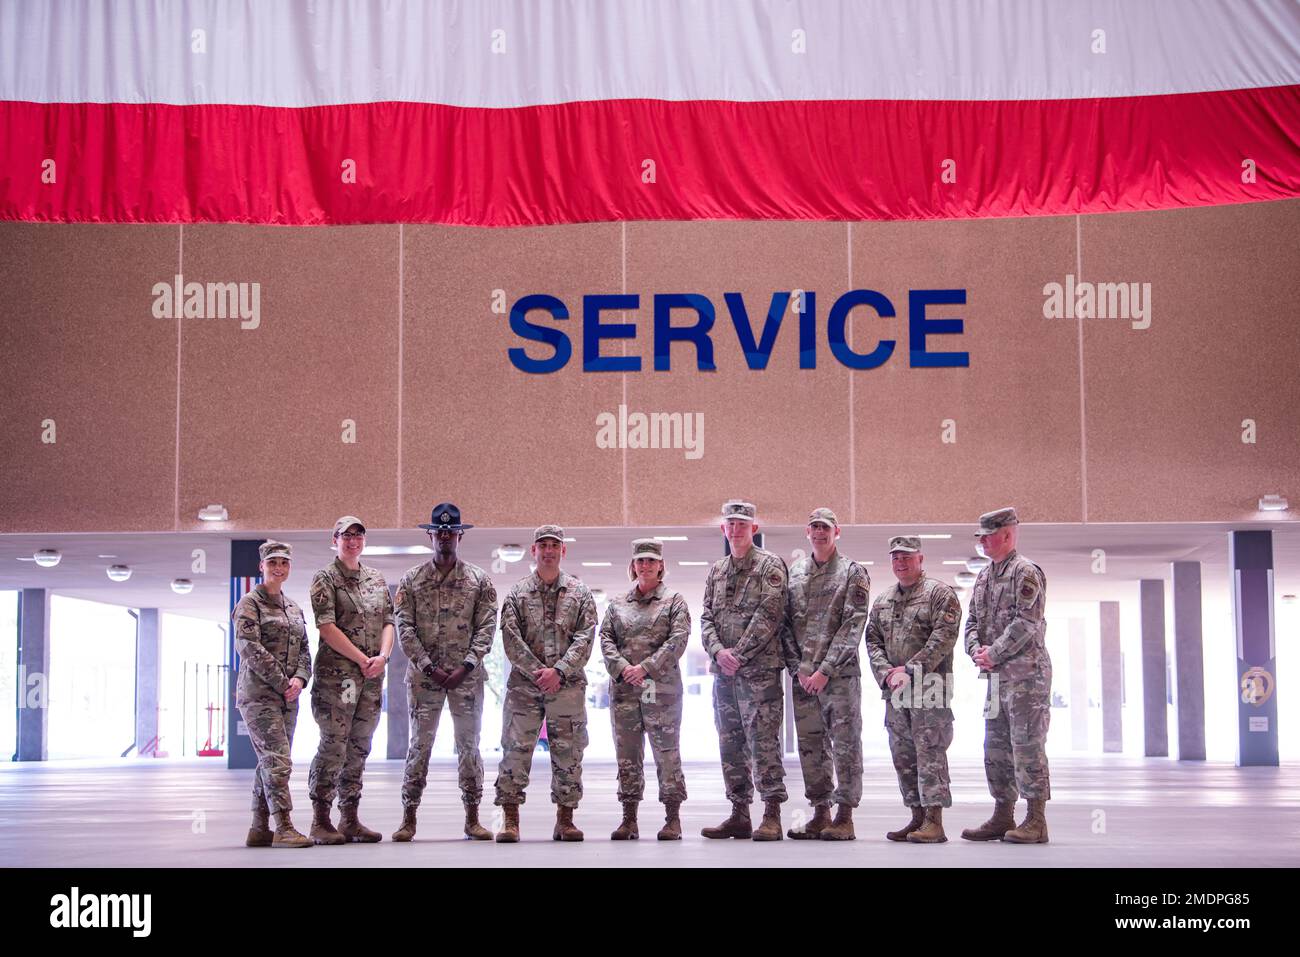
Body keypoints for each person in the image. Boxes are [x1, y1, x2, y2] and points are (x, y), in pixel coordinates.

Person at [392, 504, 499, 842]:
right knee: (419, 746)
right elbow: (404, 628)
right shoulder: (411, 581)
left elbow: (487, 627)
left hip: (466, 680)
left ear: (459, 535)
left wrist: (466, 665)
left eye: (450, 532)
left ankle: (473, 818)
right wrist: (429, 667)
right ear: (430, 535)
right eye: (439, 532)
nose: (445, 537)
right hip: (426, 680)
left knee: (469, 746)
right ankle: (408, 818)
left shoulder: (479, 581)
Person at [493, 525, 597, 842]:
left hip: (567, 688)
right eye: (543, 545)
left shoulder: (580, 593)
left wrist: (560, 671)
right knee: (515, 750)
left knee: (568, 753)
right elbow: (511, 639)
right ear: (533, 551)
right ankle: (510, 819)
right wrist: (540, 671)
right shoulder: (517, 593)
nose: (549, 550)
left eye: (555, 545)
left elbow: (586, 637)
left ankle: (565, 820)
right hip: (525, 687)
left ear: (563, 551)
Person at [961, 507, 1052, 844]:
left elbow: (1026, 622)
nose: (982, 541)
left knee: (1027, 745)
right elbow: (971, 622)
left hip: (1027, 677)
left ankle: (1036, 819)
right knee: (996, 746)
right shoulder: (985, 577)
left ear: (1007, 534)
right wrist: (975, 651)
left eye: (988, 535)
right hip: (997, 678)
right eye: (980, 536)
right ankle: (1003, 815)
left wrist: (993, 652)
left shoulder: (1025, 573)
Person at [700, 500, 789, 841]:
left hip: (759, 675)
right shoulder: (717, 570)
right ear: (724, 529)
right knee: (730, 742)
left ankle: (771, 813)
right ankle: (739, 812)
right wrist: (719, 652)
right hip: (725, 677)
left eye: (742, 524)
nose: (735, 529)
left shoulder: (770, 567)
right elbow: (706, 616)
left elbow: (769, 616)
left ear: (754, 528)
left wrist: (737, 654)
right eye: (730, 524)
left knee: (763, 742)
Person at [780, 508, 870, 841]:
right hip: (804, 679)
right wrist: (798, 669)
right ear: (807, 532)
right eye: (814, 527)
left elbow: (852, 625)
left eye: (825, 528)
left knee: (845, 745)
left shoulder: (852, 573)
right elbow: (785, 626)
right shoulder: (796, 573)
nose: (820, 532)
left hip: (839, 678)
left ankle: (844, 815)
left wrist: (824, 670)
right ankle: (821, 812)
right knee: (811, 746)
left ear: (837, 532)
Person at [864, 536, 961, 843]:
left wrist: (909, 670)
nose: (900, 563)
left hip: (929, 688)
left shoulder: (939, 595)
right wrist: (886, 674)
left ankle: (935, 821)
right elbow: (872, 641)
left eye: (906, 557)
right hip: (895, 691)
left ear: (920, 559)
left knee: (930, 753)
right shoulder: (882, 601)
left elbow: (943, 639)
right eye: (895, 558)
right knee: (903, 754)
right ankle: (916, 817)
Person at [306, 515, 395, 844]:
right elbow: (327, 627)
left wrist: (382, 658)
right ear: (335, 539)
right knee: (334, 746)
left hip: (371, 679)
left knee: (359, 747)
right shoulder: (325, 578)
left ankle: (350, 818)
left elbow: (389, 621)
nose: (353, 541)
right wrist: (361, 659)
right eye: (346, 536)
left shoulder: (375, 578)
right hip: (337, 680)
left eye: (358, 536)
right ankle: (320, 819)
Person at [599, 538, 692, 840]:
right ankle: (629, 819)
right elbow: (606, 640)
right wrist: (624, 668)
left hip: (661, 692)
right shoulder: (617, 604)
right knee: (627, 754)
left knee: (666, 753)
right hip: (625, 690)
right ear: (633, 565)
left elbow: (678, 640)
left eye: (651, 561)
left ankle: (672, 819)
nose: (645, 566)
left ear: (661, 565)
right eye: (640, 561)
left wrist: (645, 668)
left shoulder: (674, 601)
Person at [233, 540, 312, 849]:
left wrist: (300, 679)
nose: (279, 567)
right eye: (273, 562)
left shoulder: (293, 607)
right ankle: (284, 826)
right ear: (261, 566)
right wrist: (282, 681)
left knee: (271, 760)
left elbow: (305, 648)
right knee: (277, 760)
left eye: (284, 563)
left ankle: (258, 827)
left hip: (289, 696)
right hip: (259, 695)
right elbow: (249, 648)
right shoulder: (249, 604)